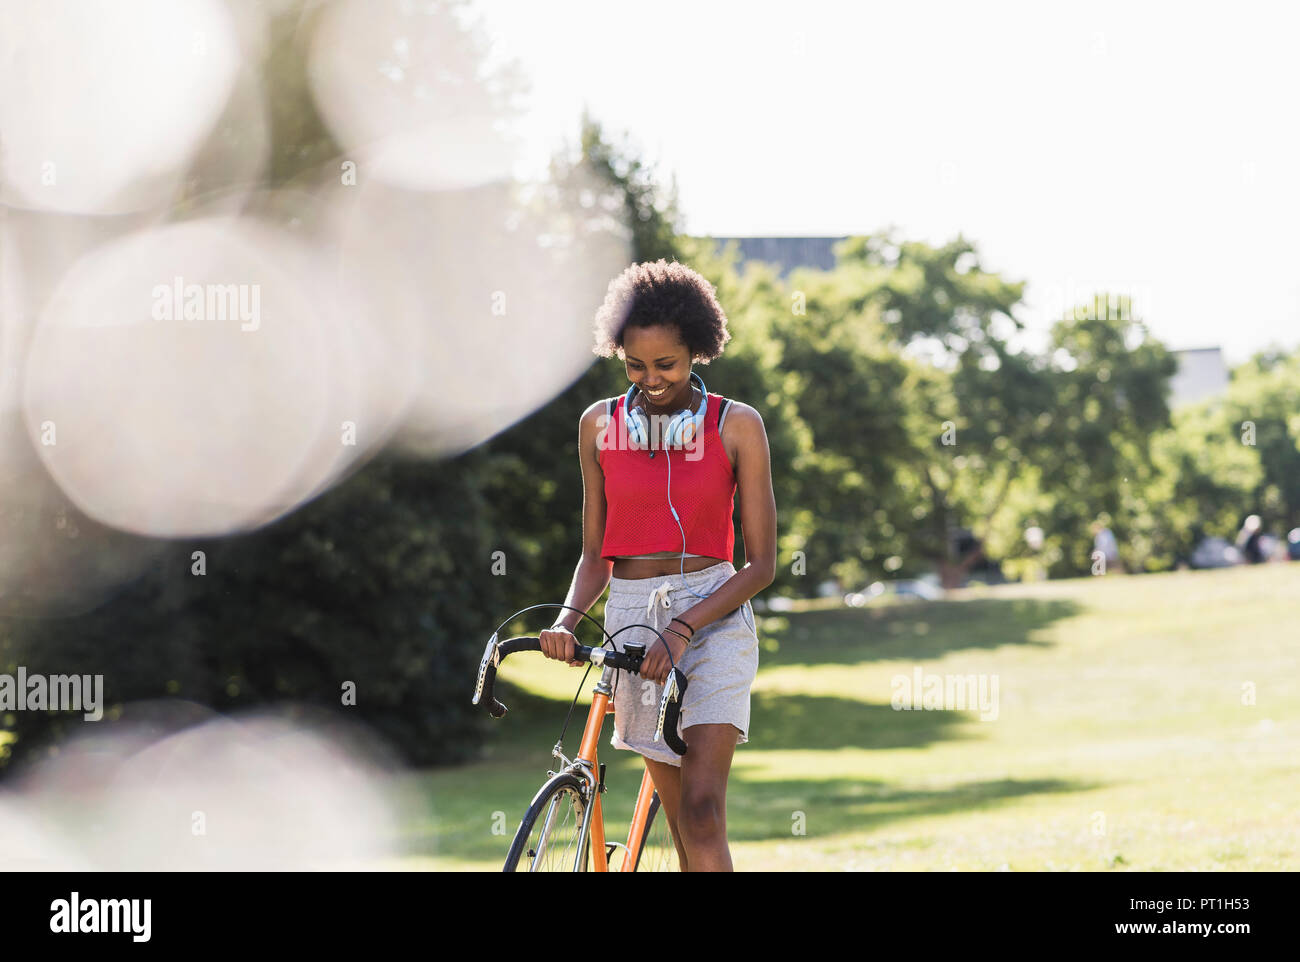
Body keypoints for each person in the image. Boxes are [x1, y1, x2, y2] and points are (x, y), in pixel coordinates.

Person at [538, 259, 777, 872]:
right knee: (678, 825)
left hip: (713, 616)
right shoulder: (598, 426)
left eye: (666, 365)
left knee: (701, 812)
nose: (651, 380)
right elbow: (596, 555)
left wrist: (684, 627)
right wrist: (567, 620)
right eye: (634, 365)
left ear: (697, 350)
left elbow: (762, 565)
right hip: (631, 620)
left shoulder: (738, 426)